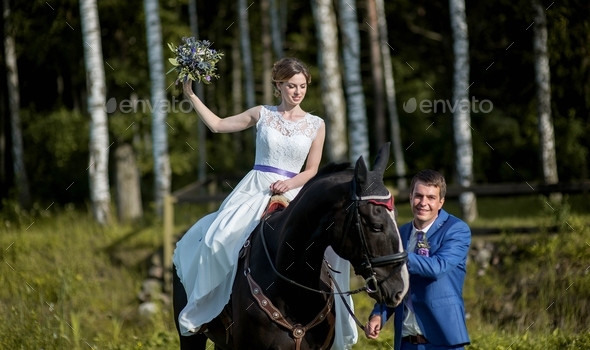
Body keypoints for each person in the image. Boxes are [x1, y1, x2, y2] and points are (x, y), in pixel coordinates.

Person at [173, 57, 358, 349]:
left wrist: (290, 183)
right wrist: (191, 95)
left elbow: (311, 170)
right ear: (278, 86)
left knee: (333, 253)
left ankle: (333, 323)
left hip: (295, 191)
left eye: (302, 86)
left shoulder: (316, 124)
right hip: (257, 187)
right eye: (291, 86)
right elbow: (219, 126)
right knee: (217, 240)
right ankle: (215, 311)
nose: (297, 92)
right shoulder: (262, 114)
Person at [365, 169, 471, 350]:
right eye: (418, 196)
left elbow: (438, 267)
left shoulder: (457, 230)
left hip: (443, 341)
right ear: (410, 197)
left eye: (431, 197)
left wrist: (397, 256)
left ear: (441, 202)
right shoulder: (400, 233)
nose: (423, 203)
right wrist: (378, 315)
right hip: (406, 342)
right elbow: (392, 281)